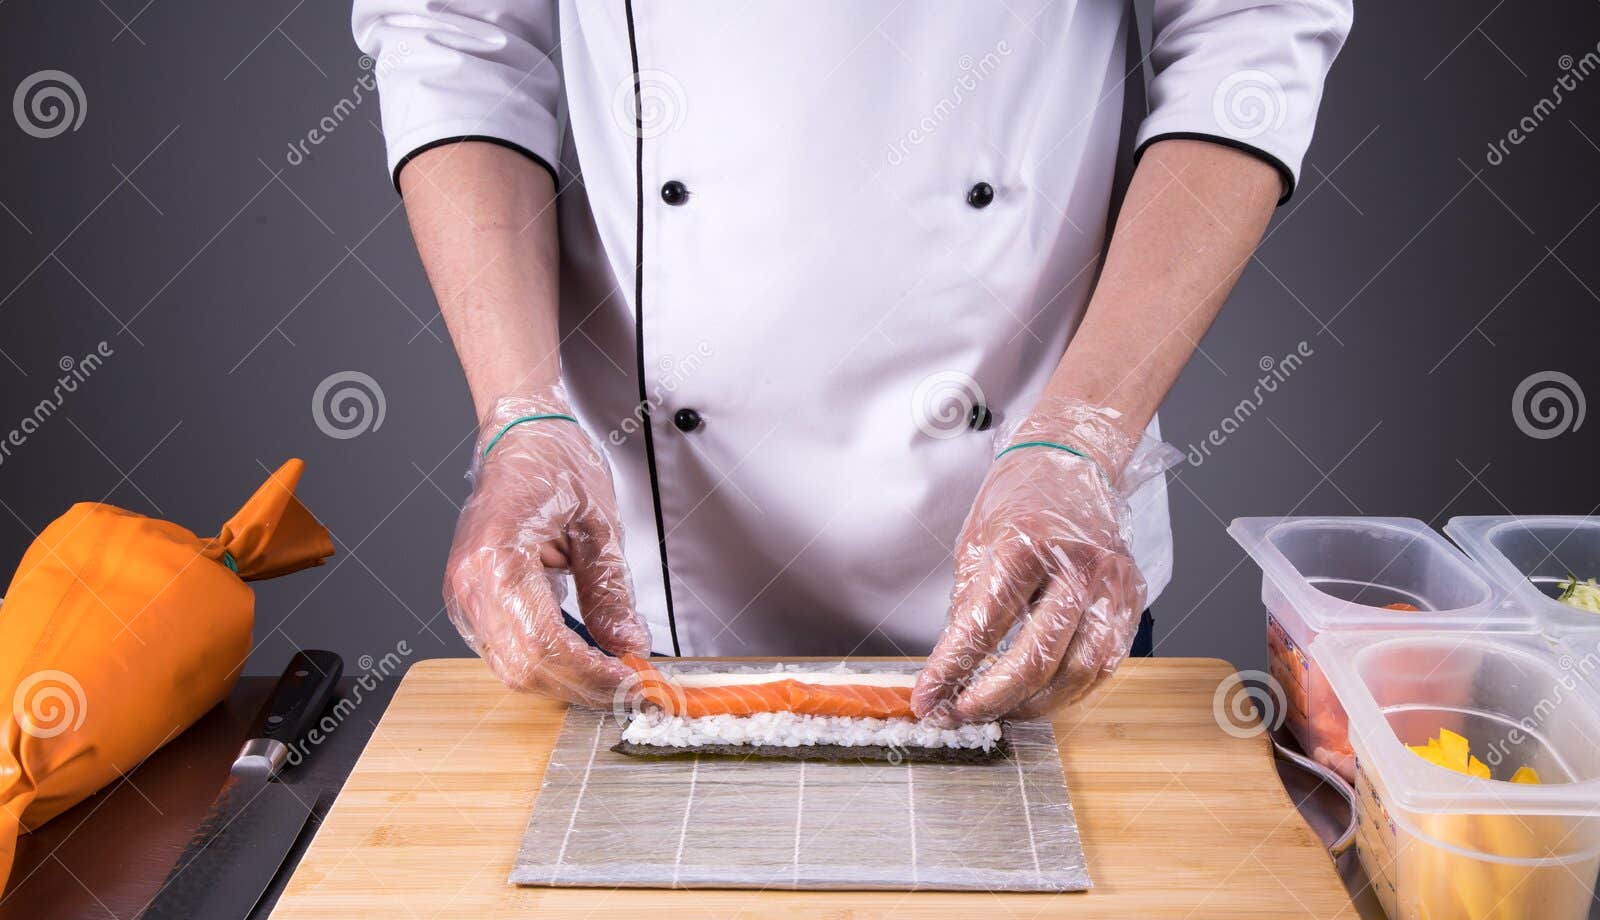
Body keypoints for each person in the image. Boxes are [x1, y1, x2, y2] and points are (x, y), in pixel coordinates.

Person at [353, 1, 1350, 722]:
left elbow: (1248, 26)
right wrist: (520, 414)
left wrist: (1083, 437)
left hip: (1040, 530)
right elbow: (458, 36)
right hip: (637, 562)